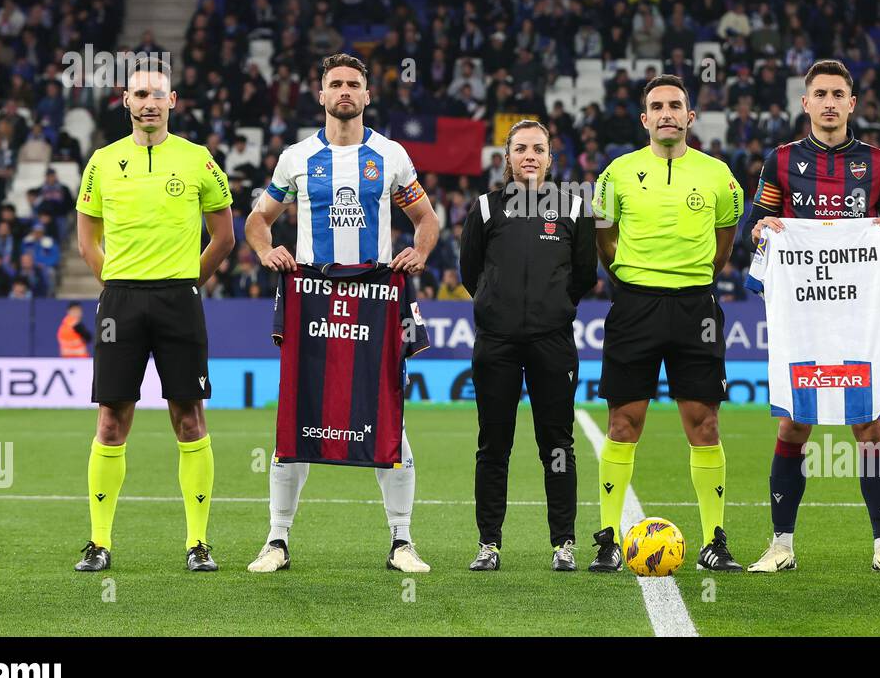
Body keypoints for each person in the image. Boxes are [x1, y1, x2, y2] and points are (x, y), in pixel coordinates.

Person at [244, 53, 440, 574]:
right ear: (322, 93)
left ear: (368, 95)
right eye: (336, 84)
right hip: (312, 297)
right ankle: (277, 541)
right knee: (299, 416)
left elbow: (426, 219)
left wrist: (419, 251)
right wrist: (267, 252)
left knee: (388, 418)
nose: (346, 91)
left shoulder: (391, 154)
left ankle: (401, 541)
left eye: (355, 83)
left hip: (376, 299)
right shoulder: (296, 157)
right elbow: (258, 220)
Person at [744, 59, 880, 574]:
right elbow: (756, 227)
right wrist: (764, 230)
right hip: (804, 312)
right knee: (796, 423)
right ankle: (781, 544)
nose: (829, 102)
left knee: (869, 426)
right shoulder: (780, 161)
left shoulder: (879, 163)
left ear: (852, 103)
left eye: (838, 94)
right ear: (805, 103)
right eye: (820, 93)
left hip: (857, 312)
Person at [73, 57, 235, 573]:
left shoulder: (198, 160)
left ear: (172, 103)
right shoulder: (101, 161)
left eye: (156, 95)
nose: (147, 103)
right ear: (126, 102)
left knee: (189, 419)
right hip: (120, 302)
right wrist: (116, 283)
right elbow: (86, 239)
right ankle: (99, 543)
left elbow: (225, 236)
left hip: (178, 301)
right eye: (138, 94)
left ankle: (198, 544)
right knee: (111, 420)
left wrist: (187, 281)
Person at [588, 74, 743, 573]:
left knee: (705, 423)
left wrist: (688, 276)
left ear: (690, 116)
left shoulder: (719, 175)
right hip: (634, 307)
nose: (667, 113)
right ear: (644, 119)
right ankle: (609, 539)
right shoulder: (616, 173)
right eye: (657, 106)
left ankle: (714, 540)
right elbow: (604, 241)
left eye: (676, 105)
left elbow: (725, 243)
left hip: (696, 306)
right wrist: (638, 277)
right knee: (623, 422)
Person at [458, 119, 596, 571]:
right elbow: (469, 273)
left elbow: (584, 276)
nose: (530, 156)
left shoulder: (573, 209)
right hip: (495, 344)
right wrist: (498, 307)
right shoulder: (484, 208)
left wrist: (551, 310)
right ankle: (489, 544)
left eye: (538, 148)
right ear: (508, 158)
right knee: (492, 445)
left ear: (551, 159)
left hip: (552, 343)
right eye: (521, 149)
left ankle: (563, 544)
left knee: (556, 444)